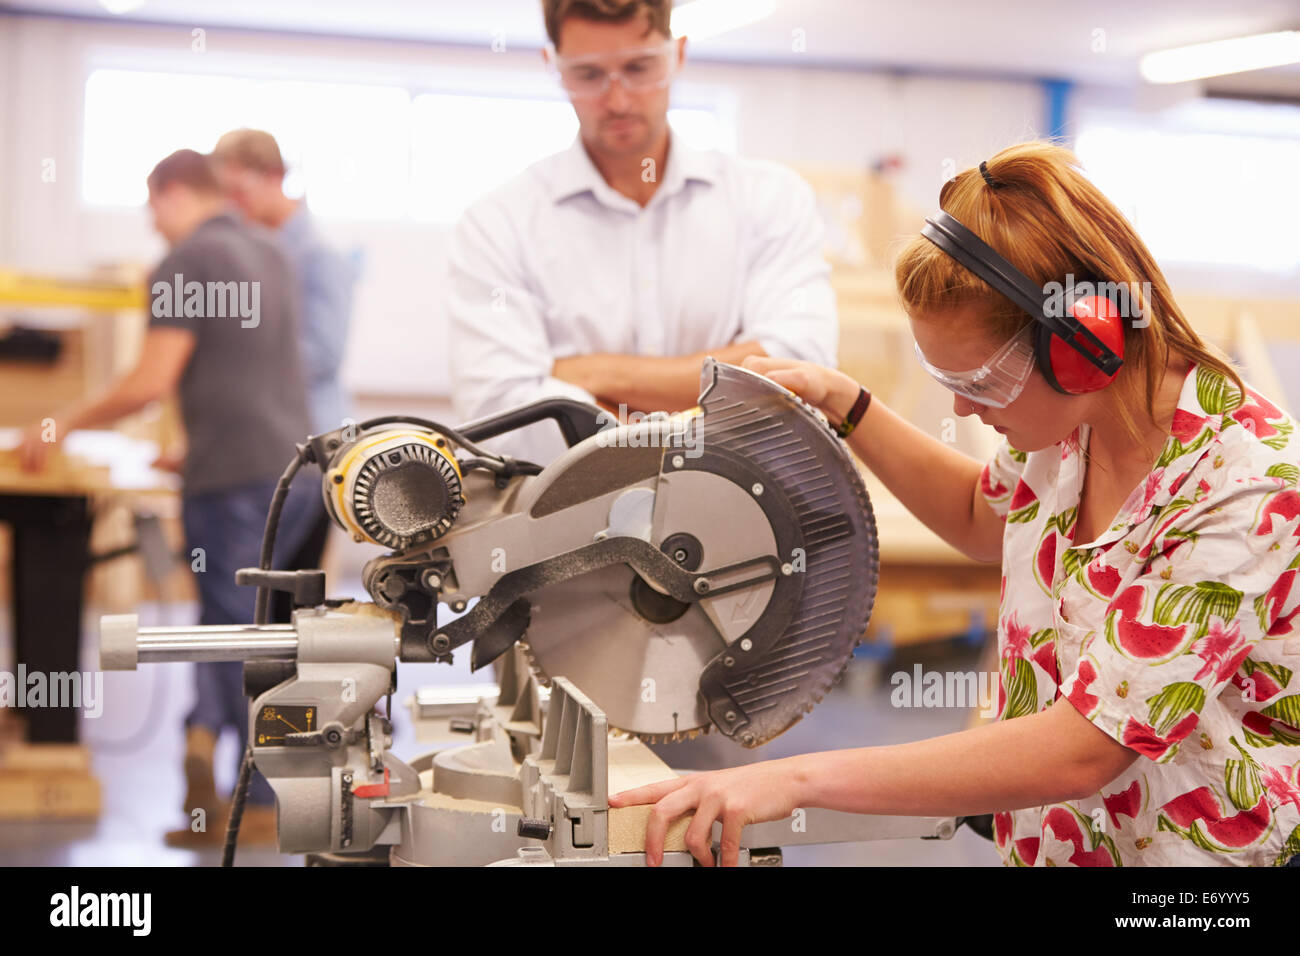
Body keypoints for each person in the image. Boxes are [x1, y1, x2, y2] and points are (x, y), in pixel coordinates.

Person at [609, 141, 1300, 868]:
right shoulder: (1073, 427)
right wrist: (846, 404)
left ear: (1084, 342)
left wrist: (797, 778)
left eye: (980, 379)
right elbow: (982, 514)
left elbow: (1083, 749)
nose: (960, 405)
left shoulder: (1250, 489)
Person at [20, 149, 321, 846]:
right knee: (267, 631)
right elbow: (257, 367)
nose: (152, 223)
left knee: (230, 637)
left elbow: (150, 381)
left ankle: (259, 801)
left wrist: (57, 420)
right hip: (295, 469)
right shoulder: (271, 250)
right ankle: (217, 768)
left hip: (237, 483)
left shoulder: (185, 259)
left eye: (151, 206)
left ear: (171, 192)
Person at [448, 0, 837, 464]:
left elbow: (799, 372)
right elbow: (503, 418)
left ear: (678, 54)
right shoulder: (497, 223)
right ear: (553, 66)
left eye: (639, 67)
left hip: (744, 523)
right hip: (566, 530)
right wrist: (711, 403)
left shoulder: (771, 199)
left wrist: (590, 374)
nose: (618, 100)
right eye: (589, 74)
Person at [209, 128, 356, 620]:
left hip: (308, 453)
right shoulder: (253, 251)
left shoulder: (317, 256)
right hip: (260, 449)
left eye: (240, 192)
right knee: (254, 600)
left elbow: (324, 353)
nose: (233, 206)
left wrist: (241, 348)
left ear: (274, 177)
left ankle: (281, 700)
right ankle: (250, 699)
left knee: (286, 607)